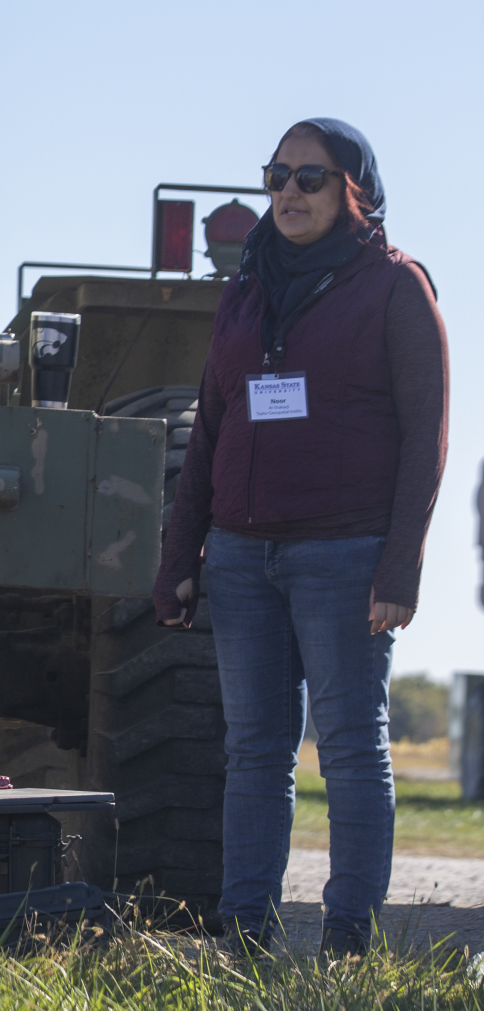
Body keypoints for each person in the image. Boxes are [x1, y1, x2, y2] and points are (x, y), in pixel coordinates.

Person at [153, 118, 448, 958]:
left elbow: (428, 434)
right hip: (243, 557)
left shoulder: (395, 287)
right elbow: (211, 423)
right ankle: (245, 935)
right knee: (253, 752)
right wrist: (183, 557)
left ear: (355, 191)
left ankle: (347, 941)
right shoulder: (246, 289)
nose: (287, 192)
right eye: (276, 175)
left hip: (346, 556)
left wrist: (400, 565)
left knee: (352, 751)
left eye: (310, 178)